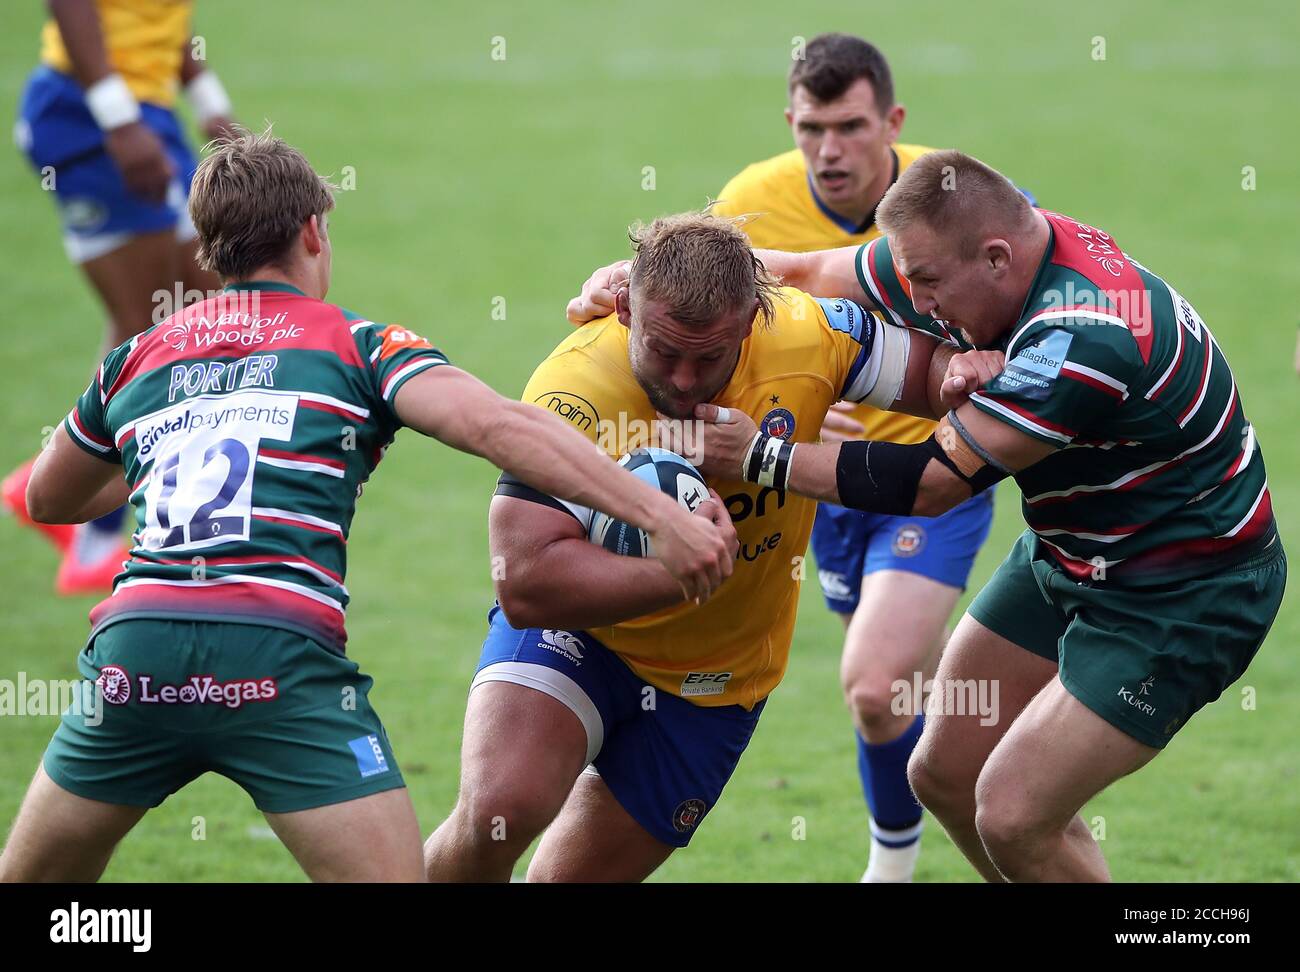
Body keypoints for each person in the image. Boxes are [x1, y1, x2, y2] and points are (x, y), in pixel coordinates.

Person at [0, 131, 732, 883]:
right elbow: (497, 427)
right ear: (314, 229)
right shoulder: (356, 345)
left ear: (210, 248)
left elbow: (52, 496)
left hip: (135, 658)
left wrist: (179, 437)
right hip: (275, 657)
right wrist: (658, 517)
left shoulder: (137, 357)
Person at [652, 151, 1287, 882]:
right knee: (944, 775)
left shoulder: (1083, 338)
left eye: (927, 284)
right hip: (1072, 553)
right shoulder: (971, 252)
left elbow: (932, 483)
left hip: (1187, 592)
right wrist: (641, 283)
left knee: (1013, 813)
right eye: (908, 278)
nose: (917, 304)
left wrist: (761, 457)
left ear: (994, 258)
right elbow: (796, 271)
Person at [425, 211, 976, 882]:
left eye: (709, 357)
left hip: (715, 680)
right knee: (495, 814)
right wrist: (678, 570)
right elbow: (525, 579)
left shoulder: (807, 336)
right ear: (625, 307)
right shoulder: (576, 390)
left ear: (750, 323)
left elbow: (938, 379)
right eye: (664, 351)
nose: (684, 380)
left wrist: (972, 366)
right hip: (583, 641)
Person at [707, 32, 998, 881]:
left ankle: (889, 870)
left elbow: (1020, 283)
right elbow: (710, 340)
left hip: (934, 479)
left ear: (892, 121)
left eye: (849, 127)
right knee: (914, 702)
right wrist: (785, 415)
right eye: (809, 129)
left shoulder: (950, 192)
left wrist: (986, 365)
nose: (828, 151)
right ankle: (1017, 778)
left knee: (874, 688)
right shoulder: (749, 202)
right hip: (817, 491)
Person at [7, 0, 238, 593]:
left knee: (205, 313)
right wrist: (117, 119)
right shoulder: (109, 115)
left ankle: (77, 495)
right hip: (91, 115)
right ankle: (92, 528)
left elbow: (158, 16)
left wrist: (207, 98)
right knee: (150, 325)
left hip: (146, 112)